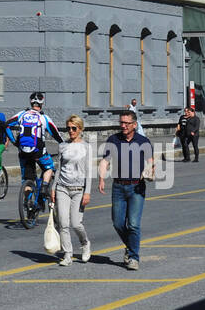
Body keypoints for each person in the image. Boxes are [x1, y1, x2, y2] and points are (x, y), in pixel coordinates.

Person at [98, 109, 155, 270]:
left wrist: (150, 171)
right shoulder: (113, 140)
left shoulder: (143, 141)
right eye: (121, 122)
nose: (123, 126)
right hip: (118, 187)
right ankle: (130, 246)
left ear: (134, 125)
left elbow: (150, 162)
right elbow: (105, 161)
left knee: (134, 224)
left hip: (137, 187)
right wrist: (101, 178)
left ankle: (133, 257)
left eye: (126, 123)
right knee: (117, 223)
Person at [51, 115, 92, 266]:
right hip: (62, 187)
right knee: (63, 222)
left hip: (78, 189)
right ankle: (67, 254)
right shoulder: (63, 145)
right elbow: (59, 168)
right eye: (68, 128)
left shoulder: (87, 147)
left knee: (76, 223)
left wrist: (87, 192)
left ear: (80, 129)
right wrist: (54, 188)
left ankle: (85, 243)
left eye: (74, 128)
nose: (70, 131)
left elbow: (88, 171)